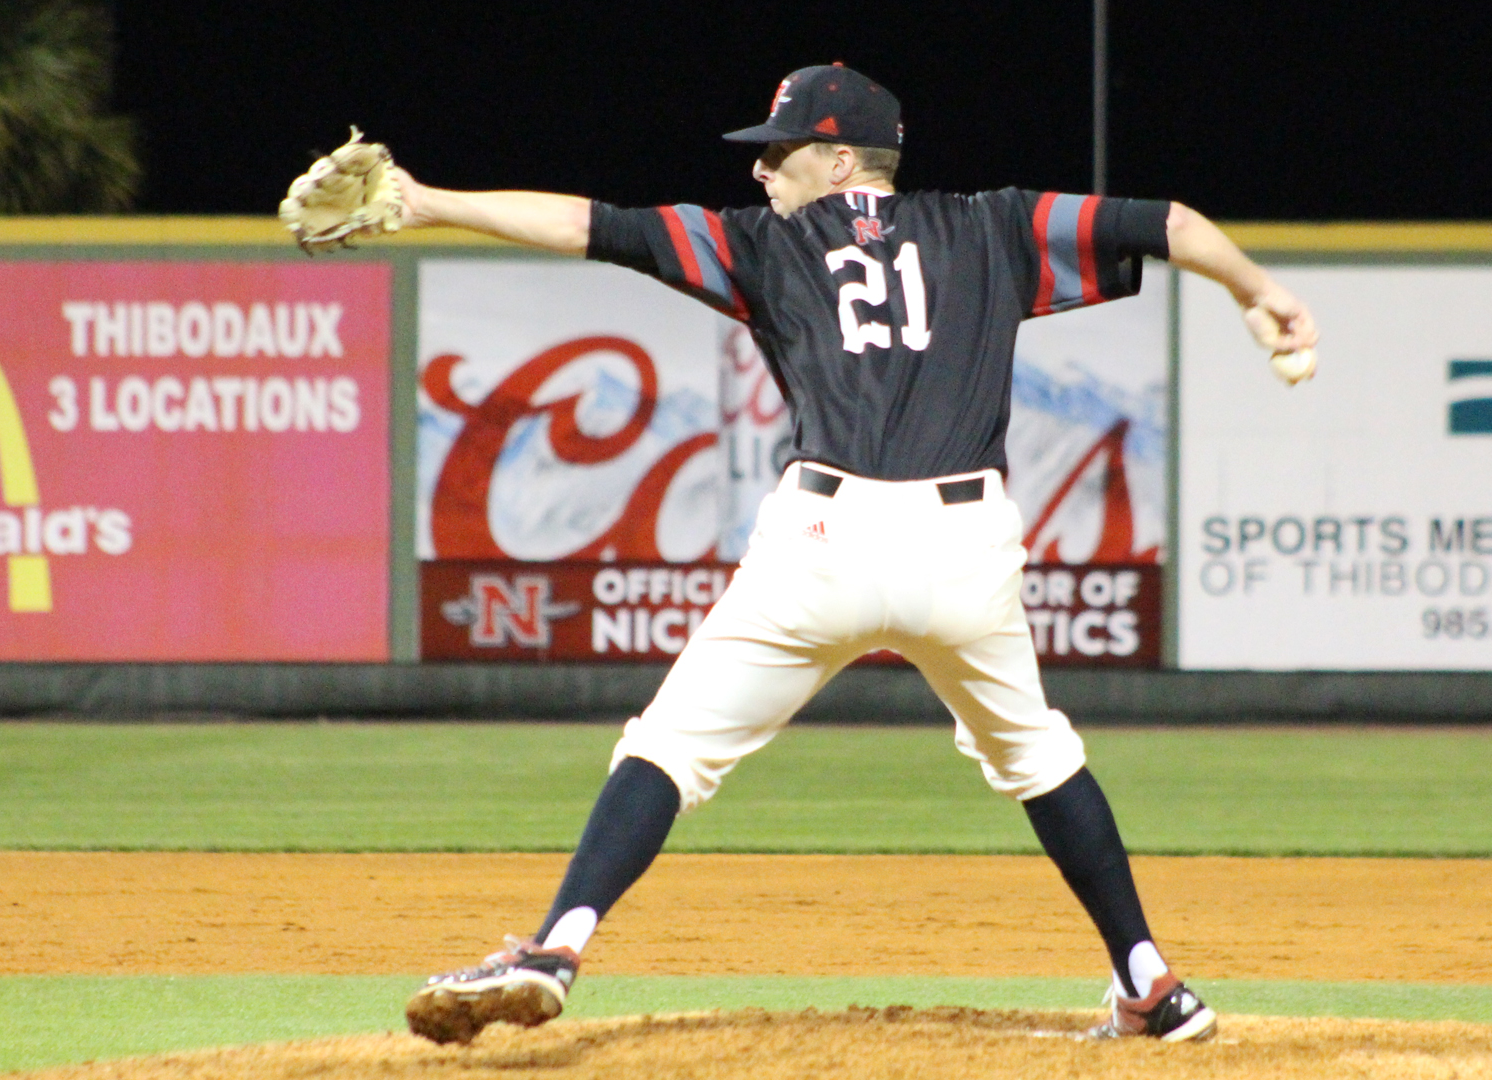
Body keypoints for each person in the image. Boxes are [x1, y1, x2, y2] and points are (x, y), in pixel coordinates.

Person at [394, 63, 1318, 1046]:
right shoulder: (996, 225)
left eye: (778, 152)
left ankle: (554, 948)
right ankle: (1153, 987)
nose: (761, 173)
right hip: (965, 544)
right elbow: (1168, 223)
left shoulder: (764, 243)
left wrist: (426, 202)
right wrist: (1259, 292)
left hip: (822, 540)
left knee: (668, 747)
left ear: (839, 160)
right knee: (1038, 756)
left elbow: (592, 226)